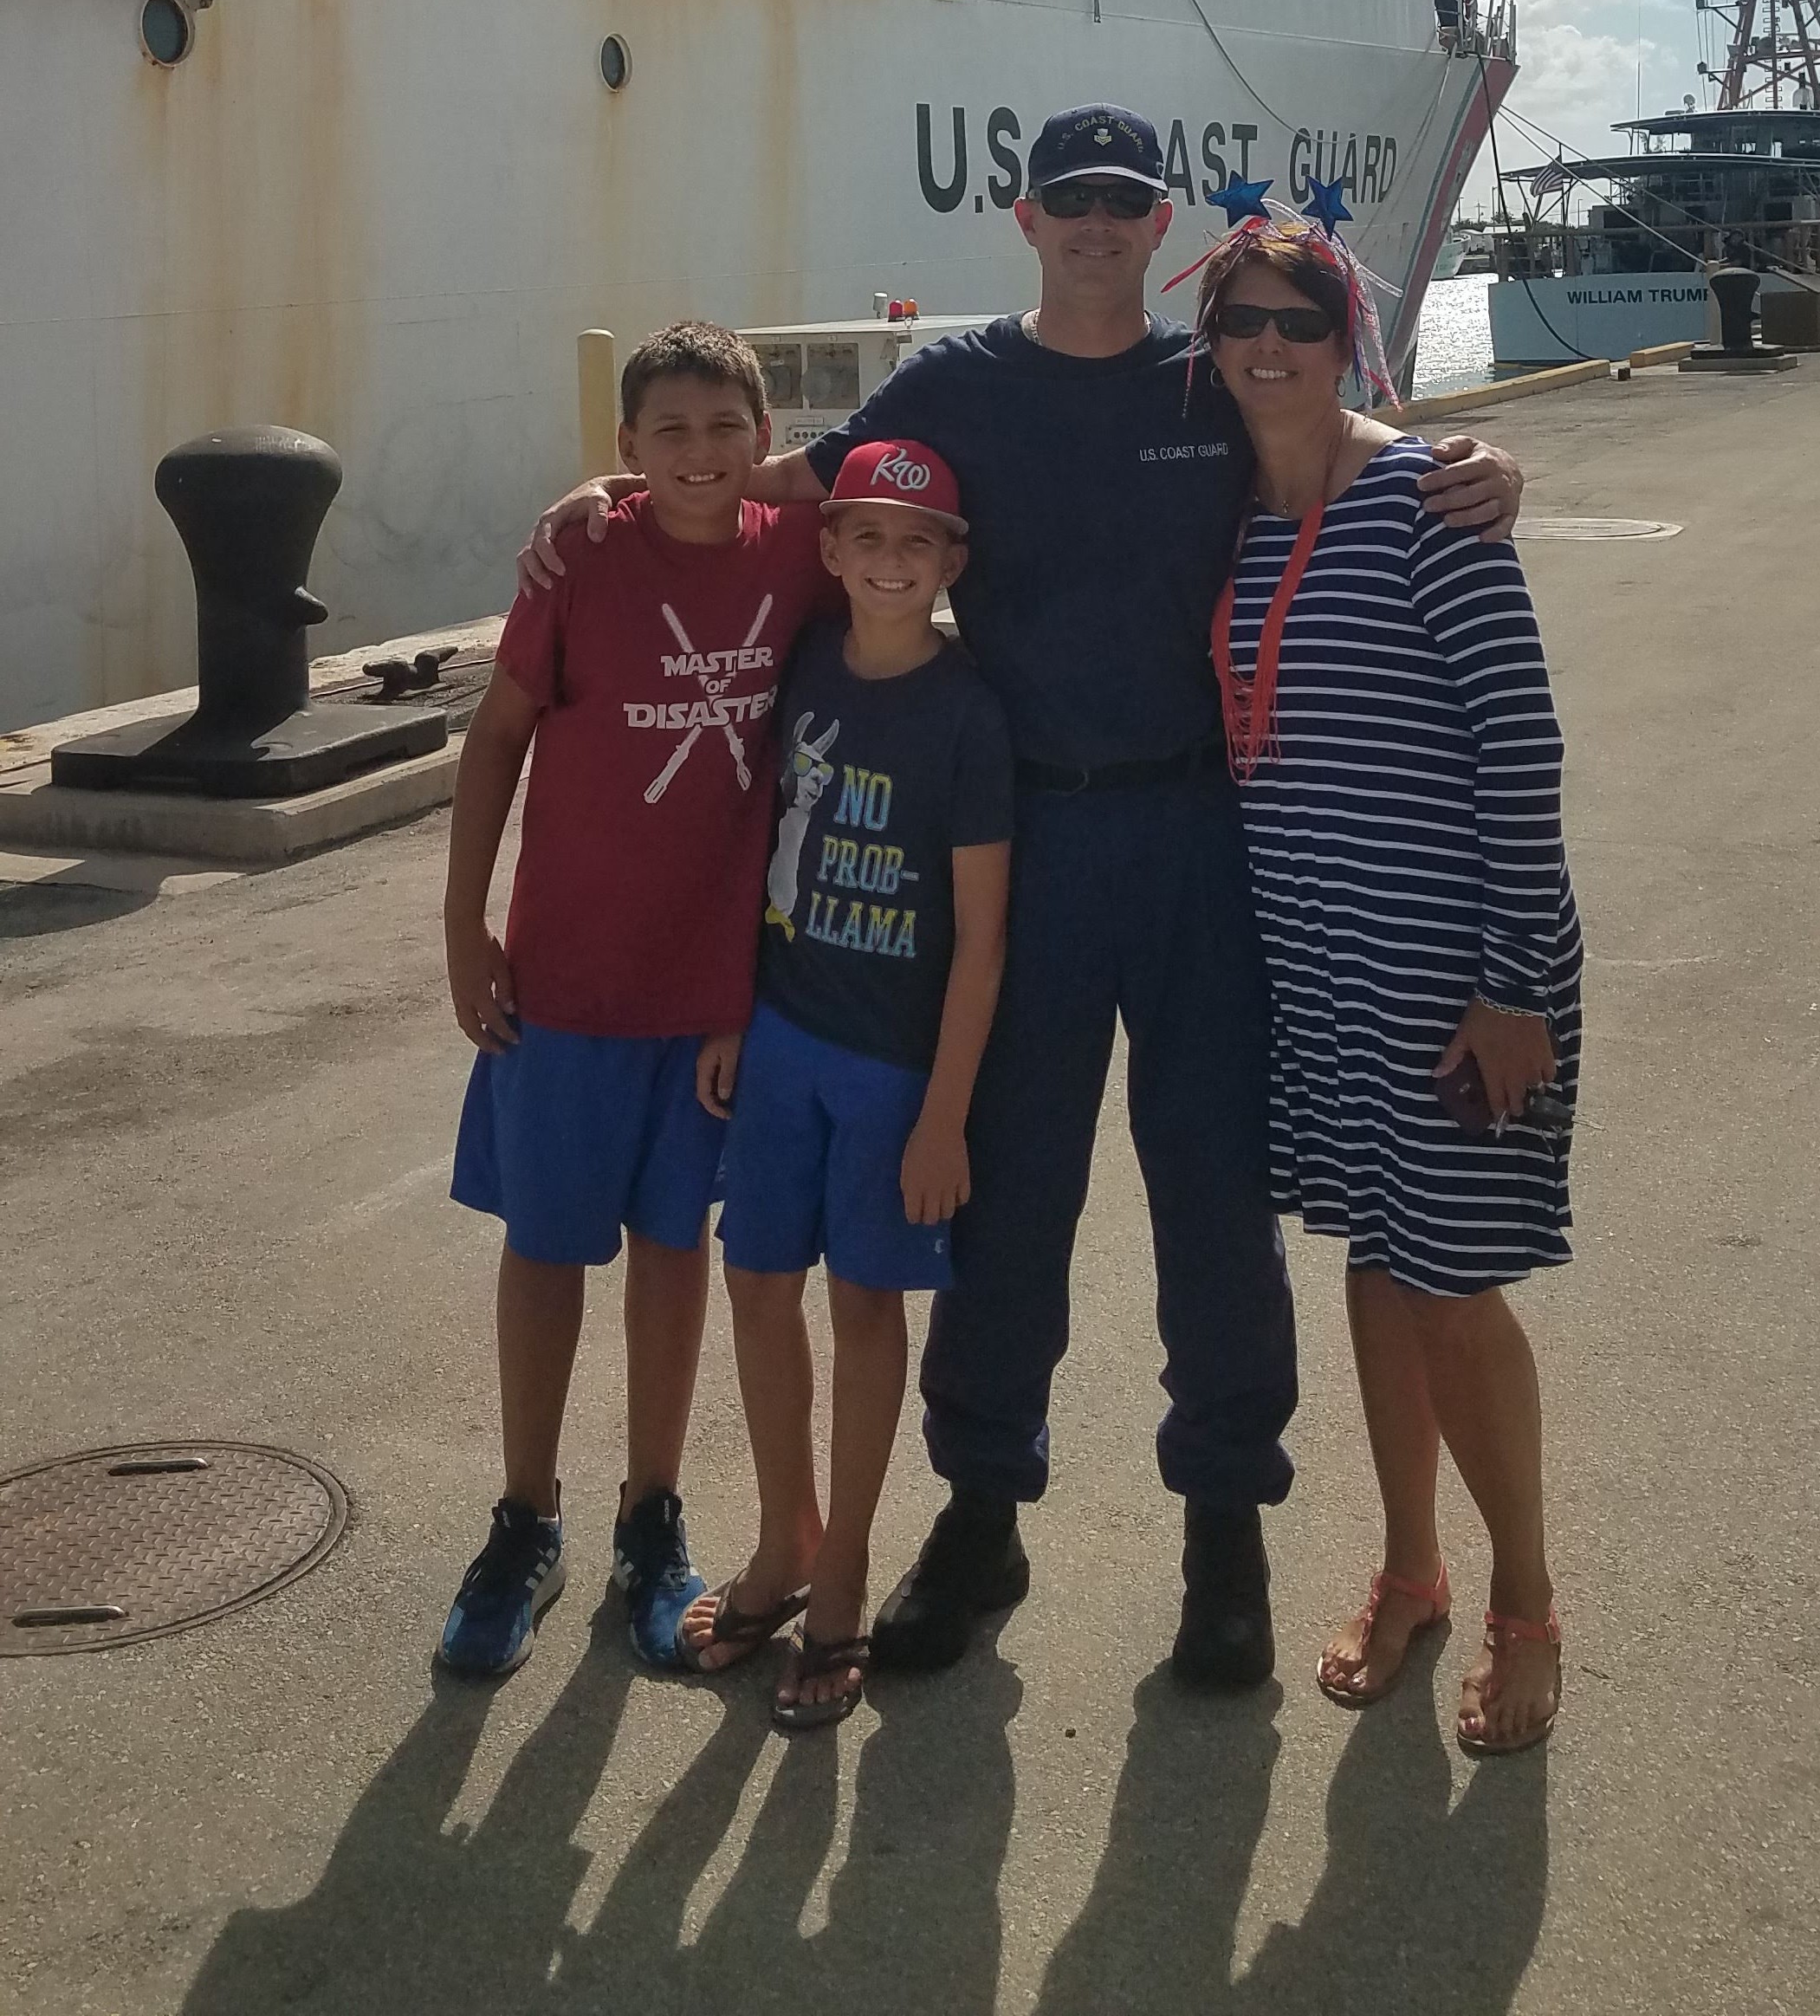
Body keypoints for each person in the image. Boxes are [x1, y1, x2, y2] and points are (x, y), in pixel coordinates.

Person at [520, 106, 1525, 1695]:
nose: (1097, 223)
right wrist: (617, 494)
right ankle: (981, 1513)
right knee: (1004, 1200)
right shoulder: (955, 384)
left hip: (1202, 839)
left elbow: (1333, 449)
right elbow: (790, 485)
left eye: (1125, 201)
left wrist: (1472, 455)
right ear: (1026, 214)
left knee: (1215, 1208)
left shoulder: (1212, 375)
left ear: (1155, 218)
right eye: (1071, 199)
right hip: (1026, 840)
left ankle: (1223, 1539)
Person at [1198, 206, 1580, 1755]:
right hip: (1317, 967)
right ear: (1210, 343)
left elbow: (1520, 752)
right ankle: (1410, 1566)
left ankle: (1526, 1604)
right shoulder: (1227, 512)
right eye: (1240, 321)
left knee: (1448, 1285)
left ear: (1343, 333)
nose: (1268, 346)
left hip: (1449, 975)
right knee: (1370, 1261)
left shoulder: (1428, 499)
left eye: (1297, 318)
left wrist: (1511, 986)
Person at [437, 321, 834, 1682]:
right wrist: (461, 927)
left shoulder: (799, 553)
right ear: (624, 453)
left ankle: (648, 1515)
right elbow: (497, 736)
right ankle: (525, 1514)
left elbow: (923, 495)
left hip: (714, 993)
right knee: (546, 1247)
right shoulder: (584, 558)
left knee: (677, 1250)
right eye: (667, 433)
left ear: (764, 434)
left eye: (727, 429)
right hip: (567, 979)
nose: (701, 457)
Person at [682, 438, 1014, 1728]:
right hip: (779, 1037)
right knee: (756, 1283)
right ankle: (785, 1533)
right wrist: (730, 1018)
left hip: (887, 1066)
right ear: (830, 552)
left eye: (915, 544)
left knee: (866, 1309)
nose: (887, 561)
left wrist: (944, 1113)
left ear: (953, 564)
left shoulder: (967, 712)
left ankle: (847, 1571)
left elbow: (982, 937)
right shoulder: (809, 664)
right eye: (865, 537)